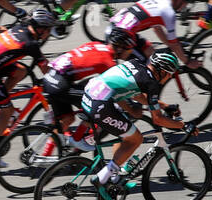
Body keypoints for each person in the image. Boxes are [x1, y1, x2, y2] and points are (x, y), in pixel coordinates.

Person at [80, 51, 189, 187]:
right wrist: (183, 125)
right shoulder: (151, 83)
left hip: (90, 93)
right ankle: (102, 178)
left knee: (126, 130)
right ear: (163, 72)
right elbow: (158, 119)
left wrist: (164, 106)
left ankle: (114, 177)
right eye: (170, 75)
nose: (168, 78)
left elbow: (136, 95)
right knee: (136, 139)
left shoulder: (136, 64)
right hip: (100, 104)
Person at [0, 10, 56, 136]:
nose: (49, 33)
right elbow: (45, 68)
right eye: (49, 30)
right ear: (41, 29)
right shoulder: (31, 44)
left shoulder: (20, 28)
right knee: (7, 111)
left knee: (21, 71)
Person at [42, 28, 137, 150]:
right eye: (129, 49)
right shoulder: (108, 62)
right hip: (60, 84)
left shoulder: (96, 44)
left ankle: (44, 156)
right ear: (119, 48)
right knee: (98, 106)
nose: (130, 52)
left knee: (67, 119)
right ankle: (77, 139)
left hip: (50, 77)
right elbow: (117, 92)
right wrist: (130, 107)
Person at [108, 0, 200, 64]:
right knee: (146, 70)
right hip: (121, 37)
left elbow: (157, 28)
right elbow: (174, 44)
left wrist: (170, 45)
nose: (186, 5)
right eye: (186, 1)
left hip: (118, 28)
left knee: (150, 52)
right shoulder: (169, 12)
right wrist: (187, 62)